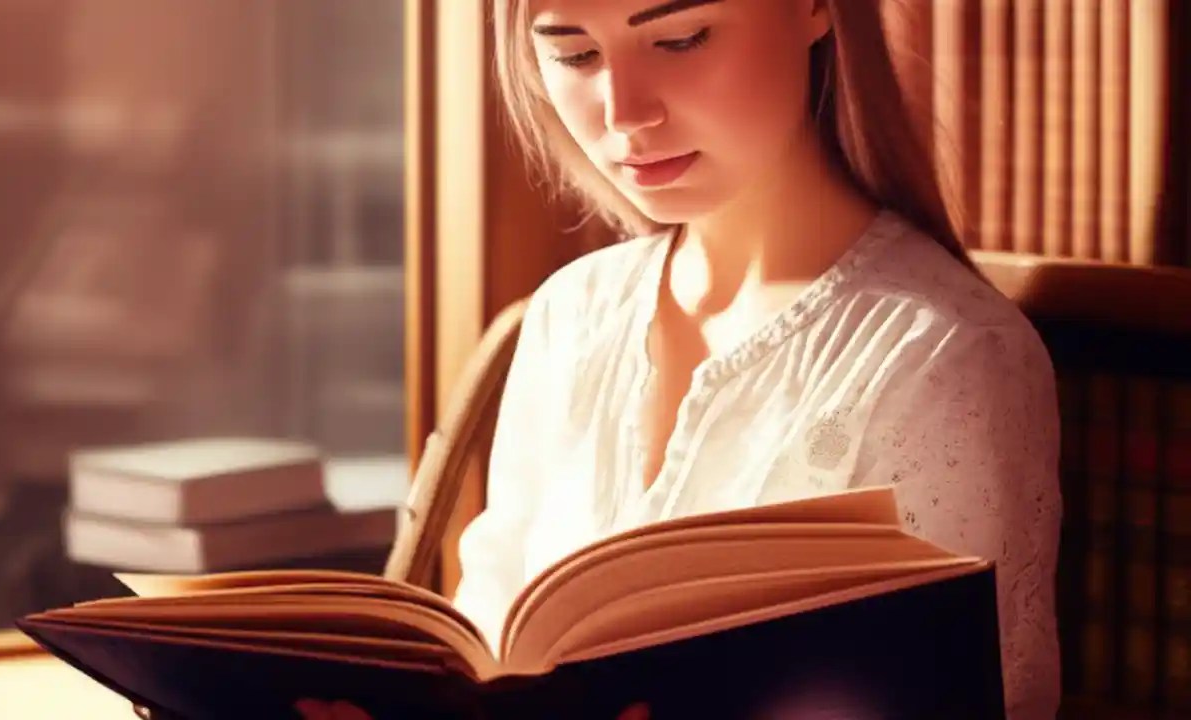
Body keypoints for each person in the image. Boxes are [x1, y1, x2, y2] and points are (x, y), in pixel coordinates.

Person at [299, 0, 1063, 718]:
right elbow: (486, 638)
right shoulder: (571, 315)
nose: (625, 113)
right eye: (573, 52)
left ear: (815, 7)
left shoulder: (942, 358)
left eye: (681, 39)